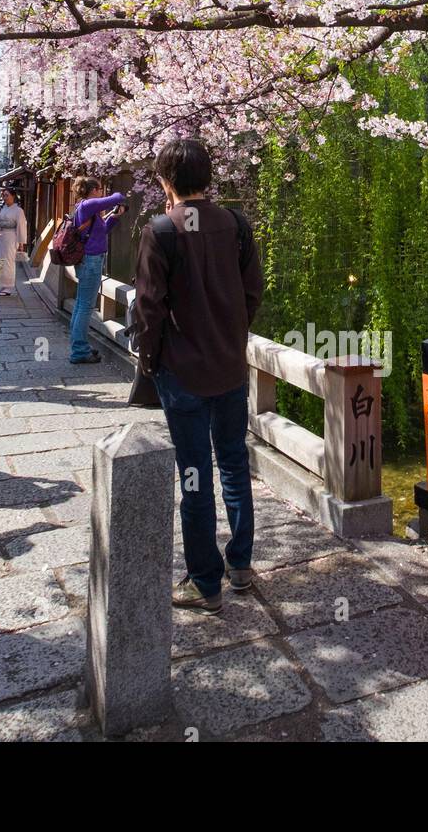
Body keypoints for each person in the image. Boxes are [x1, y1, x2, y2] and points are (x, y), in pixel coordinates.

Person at [131, 139, 262, 613]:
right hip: (229, 366)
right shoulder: (236, 224)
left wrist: (151, 362)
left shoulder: (162, 230)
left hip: (182, 372)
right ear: (210, 177)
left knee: (193, 473)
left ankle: (205, 581)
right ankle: (241, 564)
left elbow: (149, 309)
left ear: (165, 181)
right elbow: (252, 294)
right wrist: (229, 335)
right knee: (232, 462)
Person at [67, 177, 127, 364]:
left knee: (81, 304)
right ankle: (79, 351)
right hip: (90, 261)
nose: (101, 192)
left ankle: (79, 346)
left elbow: (101, 232)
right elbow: (118, 196)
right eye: (100, 189)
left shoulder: (87, 209)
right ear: (93, 190)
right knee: (85, 306)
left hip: (90, 260)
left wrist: (114, 217)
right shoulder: (88, 205)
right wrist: (118, 198)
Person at [0, 187, 29, 296]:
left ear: (13, 196)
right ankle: (2, 285)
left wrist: (21, 243)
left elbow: (21, 226)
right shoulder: (1, 209)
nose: (5, 198)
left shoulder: (18, 210)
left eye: (7, 195)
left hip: (10, 237)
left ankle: (8, 286)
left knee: (8, 261)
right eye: (4, 195)